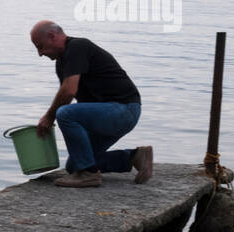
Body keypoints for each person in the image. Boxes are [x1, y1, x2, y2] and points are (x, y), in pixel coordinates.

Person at [30, 20, 152, 188]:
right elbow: (75, 100)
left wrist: (49, 117)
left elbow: (68, 92)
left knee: (65, 113)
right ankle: (134, 157)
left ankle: (89, 175)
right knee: (75, 165)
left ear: (52, 36)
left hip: (124, 110)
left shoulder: (77, 47)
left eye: (40, 46)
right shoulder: (62, 63)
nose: (40, 53)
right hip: (107, 114)